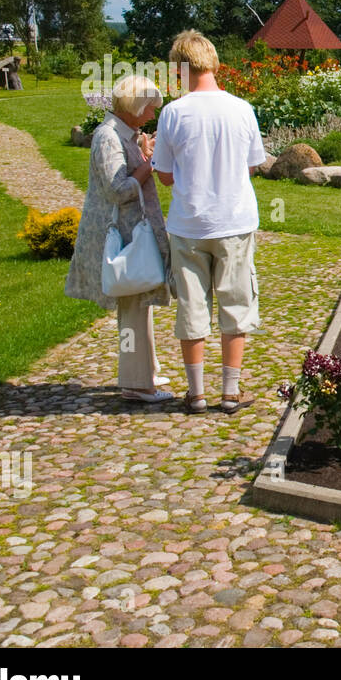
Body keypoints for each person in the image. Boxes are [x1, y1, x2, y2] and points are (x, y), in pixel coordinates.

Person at [152, 30, 267, 413]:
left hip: (188, 224)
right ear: (214, 63)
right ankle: (230, 392)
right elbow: (253, 165)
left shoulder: (173, 113)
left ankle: (196, 392)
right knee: (236, 302)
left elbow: (165, 176)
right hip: (234, 219)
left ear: (179, 69)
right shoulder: (242, 109)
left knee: (192, 306)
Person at [65, 75, 174, 404]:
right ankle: (137, 384)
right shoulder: (108, 137)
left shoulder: (123, 134)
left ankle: (147, 370)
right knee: (133, 307)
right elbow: (118, 189)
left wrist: (143, 155)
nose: (153, 114)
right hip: (124, 240)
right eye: (149, 108)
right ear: (134, 107)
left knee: (140, 305)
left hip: (131, 236)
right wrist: (150, 166)